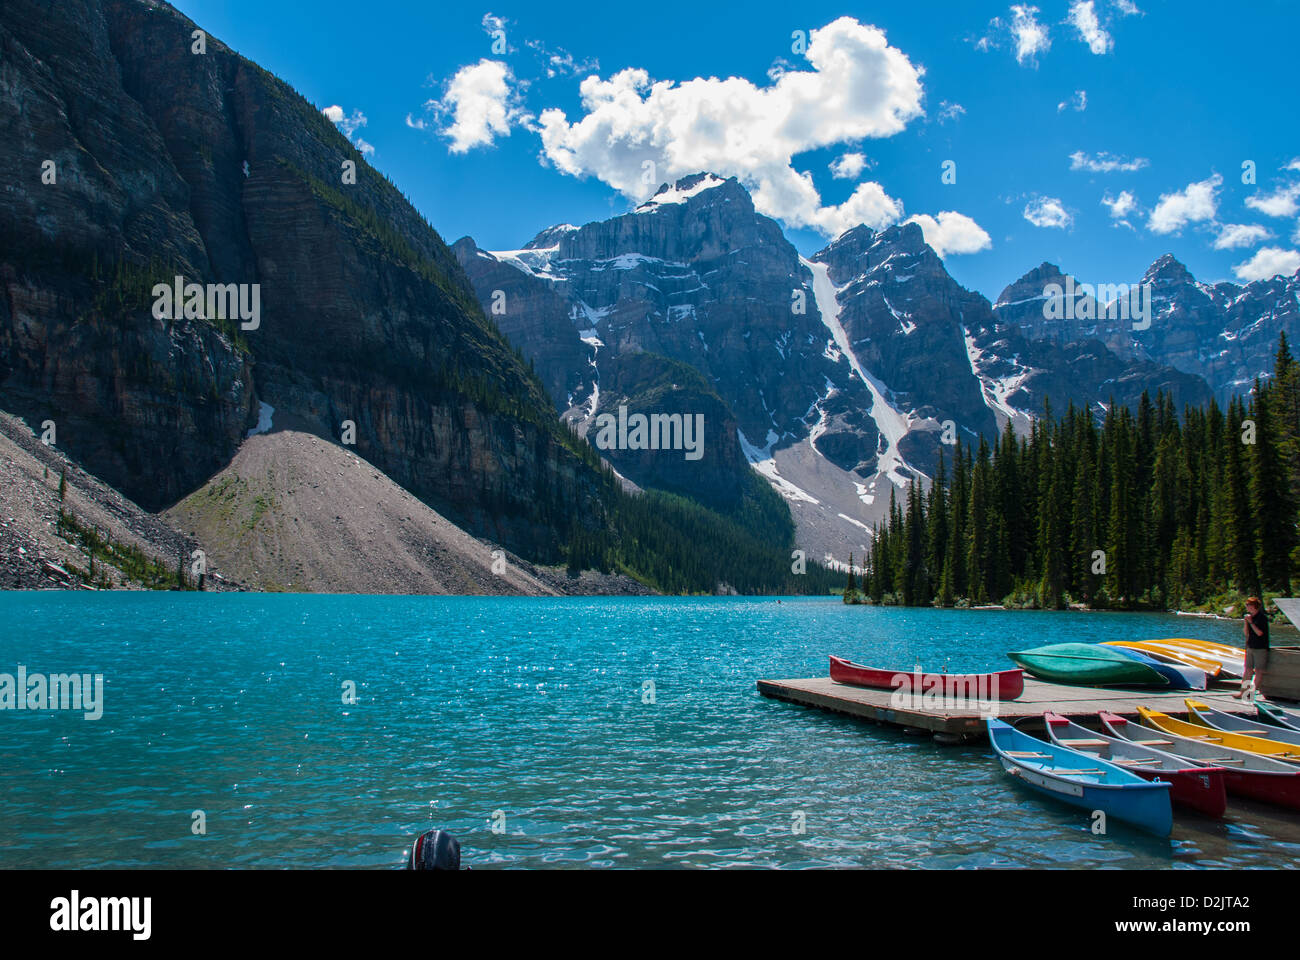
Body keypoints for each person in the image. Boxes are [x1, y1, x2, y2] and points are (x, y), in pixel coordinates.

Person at [1234, 596, 1269, 699]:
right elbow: (1246, 633)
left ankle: (1251, 693)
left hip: (1260, 648)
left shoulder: (1261, 618)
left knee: (1258, 671)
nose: (1246, 607)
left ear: (1253, 606)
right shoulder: (1250, 618)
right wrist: (1246, 622)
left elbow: (1259, 633)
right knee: (1248, 670)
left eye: (1248, 605)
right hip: (1251, 646)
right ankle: (1243, 692)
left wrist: (1251, 622)